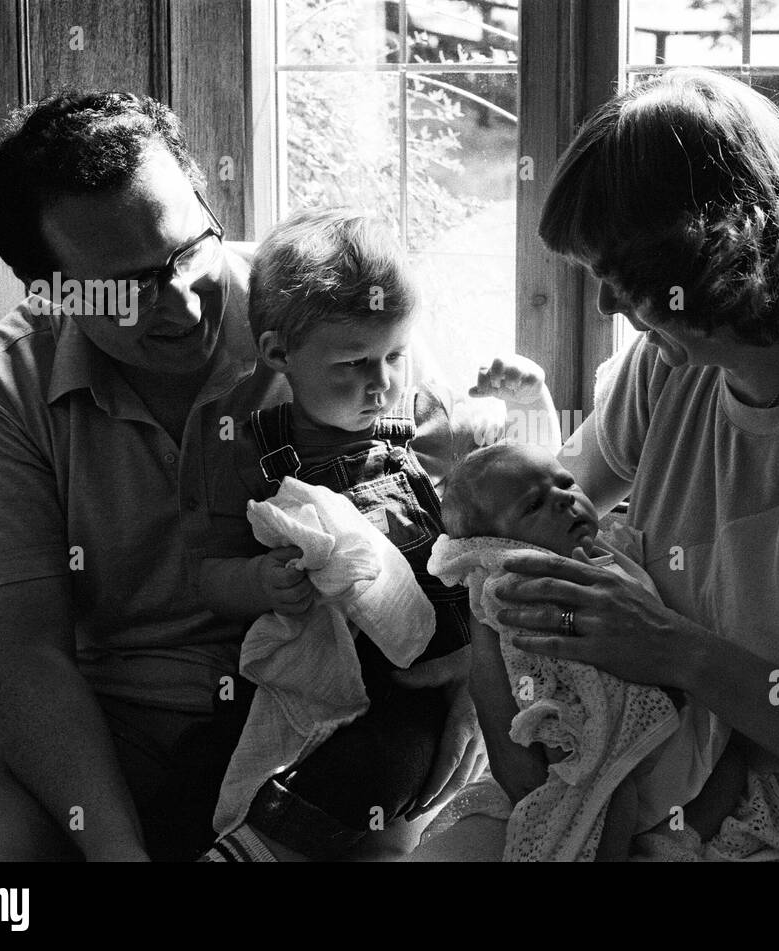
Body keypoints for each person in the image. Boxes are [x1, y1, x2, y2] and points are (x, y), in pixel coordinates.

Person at [413, 67, 779, 862]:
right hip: (673, 791)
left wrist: (681, 652)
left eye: (618, 281)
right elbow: (532, 525)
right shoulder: (671, 367)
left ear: (704, 261)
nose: (605, 311)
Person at [0, 91, 482, 862]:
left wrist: (473, 686)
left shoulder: (316, 309)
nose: (179, 303)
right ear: (51, 294)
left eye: (187, 251)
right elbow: (23, 657)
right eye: (129, 285)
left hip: (339, 719)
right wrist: (116, 850)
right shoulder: (4, 385)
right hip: (111, 730)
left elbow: (473, 529)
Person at [188, 209, 559, 861]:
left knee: (412, 759)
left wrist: (529, 405)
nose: (381, 381)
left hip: (443, 670)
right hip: (339, 672)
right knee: (241, 754)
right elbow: (209, 570)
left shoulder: (425, 419)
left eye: (393, 354)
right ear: (279, 353)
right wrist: (260, 582)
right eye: (355, 363)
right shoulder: (245, 445)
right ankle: (259, 841)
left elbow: (523, 489)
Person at [428, 442, 755, 861]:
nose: (565, 498)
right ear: (497, 541)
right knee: (606, 796)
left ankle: (674, 842)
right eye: (535, 505)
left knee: (731, 769)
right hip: (589, 736)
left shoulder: (612, 548)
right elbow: (522, 650)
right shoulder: (521, 580)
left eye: (566, 483)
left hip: (678, 734)